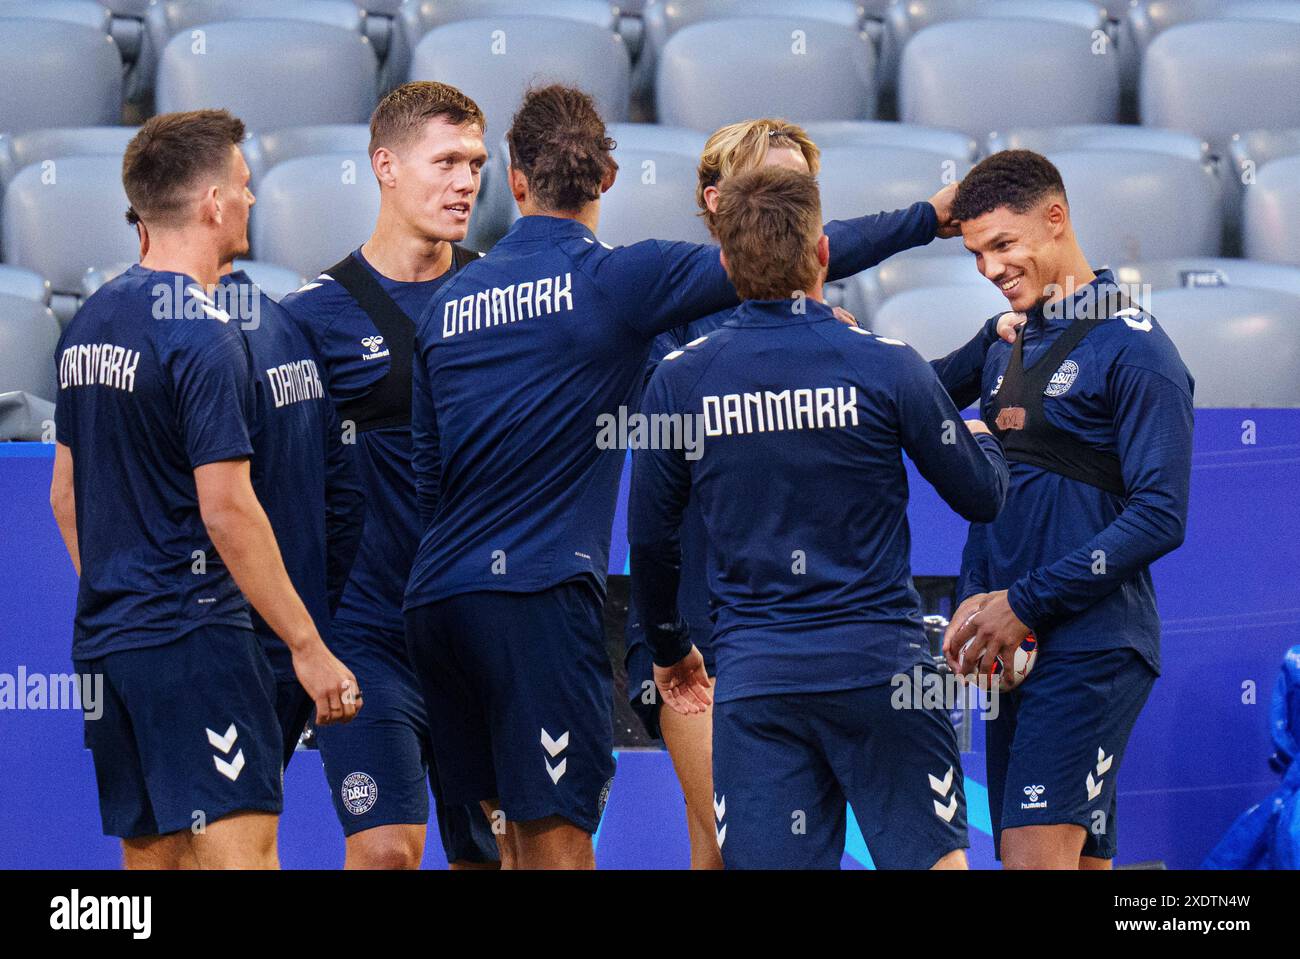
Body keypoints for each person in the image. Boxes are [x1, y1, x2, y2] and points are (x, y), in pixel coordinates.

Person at [402, 84, 964, 870]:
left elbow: (427, 480)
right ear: (607, 176)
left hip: (439, 600)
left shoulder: (446, 304)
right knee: (560, 846)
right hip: (549, 598)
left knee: (486, 850)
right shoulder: (626, 285)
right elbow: (792, 253)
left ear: (513, 176)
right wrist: (927, 219)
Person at [622, 117, 1020, 869]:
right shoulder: (880, 361)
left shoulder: (682, 379)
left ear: (729, 263)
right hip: (879, 665)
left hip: (755, 673)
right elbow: (979, 490)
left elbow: (648, 536)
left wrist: (669, 646)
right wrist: (991, 439)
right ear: (824, 250)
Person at [49, 109, 360, 869]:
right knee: (241, 857)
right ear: (213, 203)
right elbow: (227, 508)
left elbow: (65, 494)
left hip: (107, 646)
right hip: (197, 645)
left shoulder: (88, 322)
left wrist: (126, 598)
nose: (252, 201)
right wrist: (308, 646)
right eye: (245, 187)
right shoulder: (204, 331)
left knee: (151, 871)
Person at [940, 150, 1194, 870]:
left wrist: (1024, 601)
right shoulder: (1003, 343)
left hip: (1092, 647)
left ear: (1056, 219)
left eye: (1003, 244)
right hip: (1017, 649)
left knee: (1027, 860)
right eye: (975, 253)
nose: (989, 267)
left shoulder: (1138, 350)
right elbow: (904, 400)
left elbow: (1161, 515)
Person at [280, 81, 499, 869]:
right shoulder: (308, 317)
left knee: (496, 857)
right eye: (445, 161)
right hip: (367, 636)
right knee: (384, 854)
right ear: (386, 166)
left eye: (476, 162)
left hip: (485, 634)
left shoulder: (503, 295)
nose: (467, 181)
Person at [218, 266, 365, 767]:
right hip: (290, 649)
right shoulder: (283, 326)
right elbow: (344, 499)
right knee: (249, 828)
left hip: (225, 648)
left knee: (203, 840)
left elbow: (222, 508)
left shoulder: (200, 337)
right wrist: (307, 624)